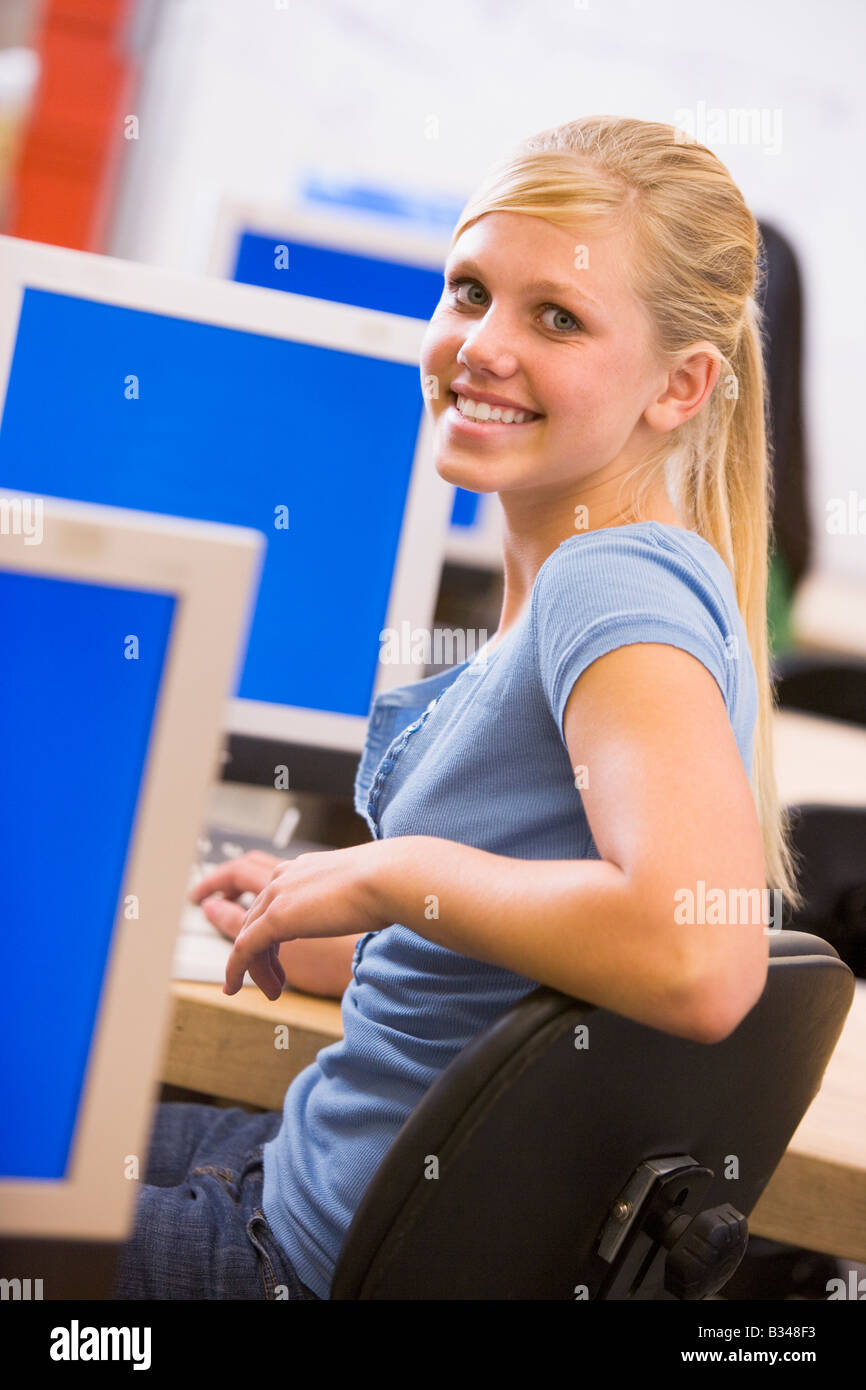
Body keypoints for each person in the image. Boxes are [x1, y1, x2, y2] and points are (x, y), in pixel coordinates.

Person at [112, 114, 800, 1301]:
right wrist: (351, 932)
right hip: (306, 1178)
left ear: (679, 385)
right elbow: (536, 957)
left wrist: (391, 872)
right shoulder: (582, 570)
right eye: (469, 290)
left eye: (557, 318)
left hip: (298, 1259)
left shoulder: (608, 579)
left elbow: (698, 955)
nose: (480, 345)